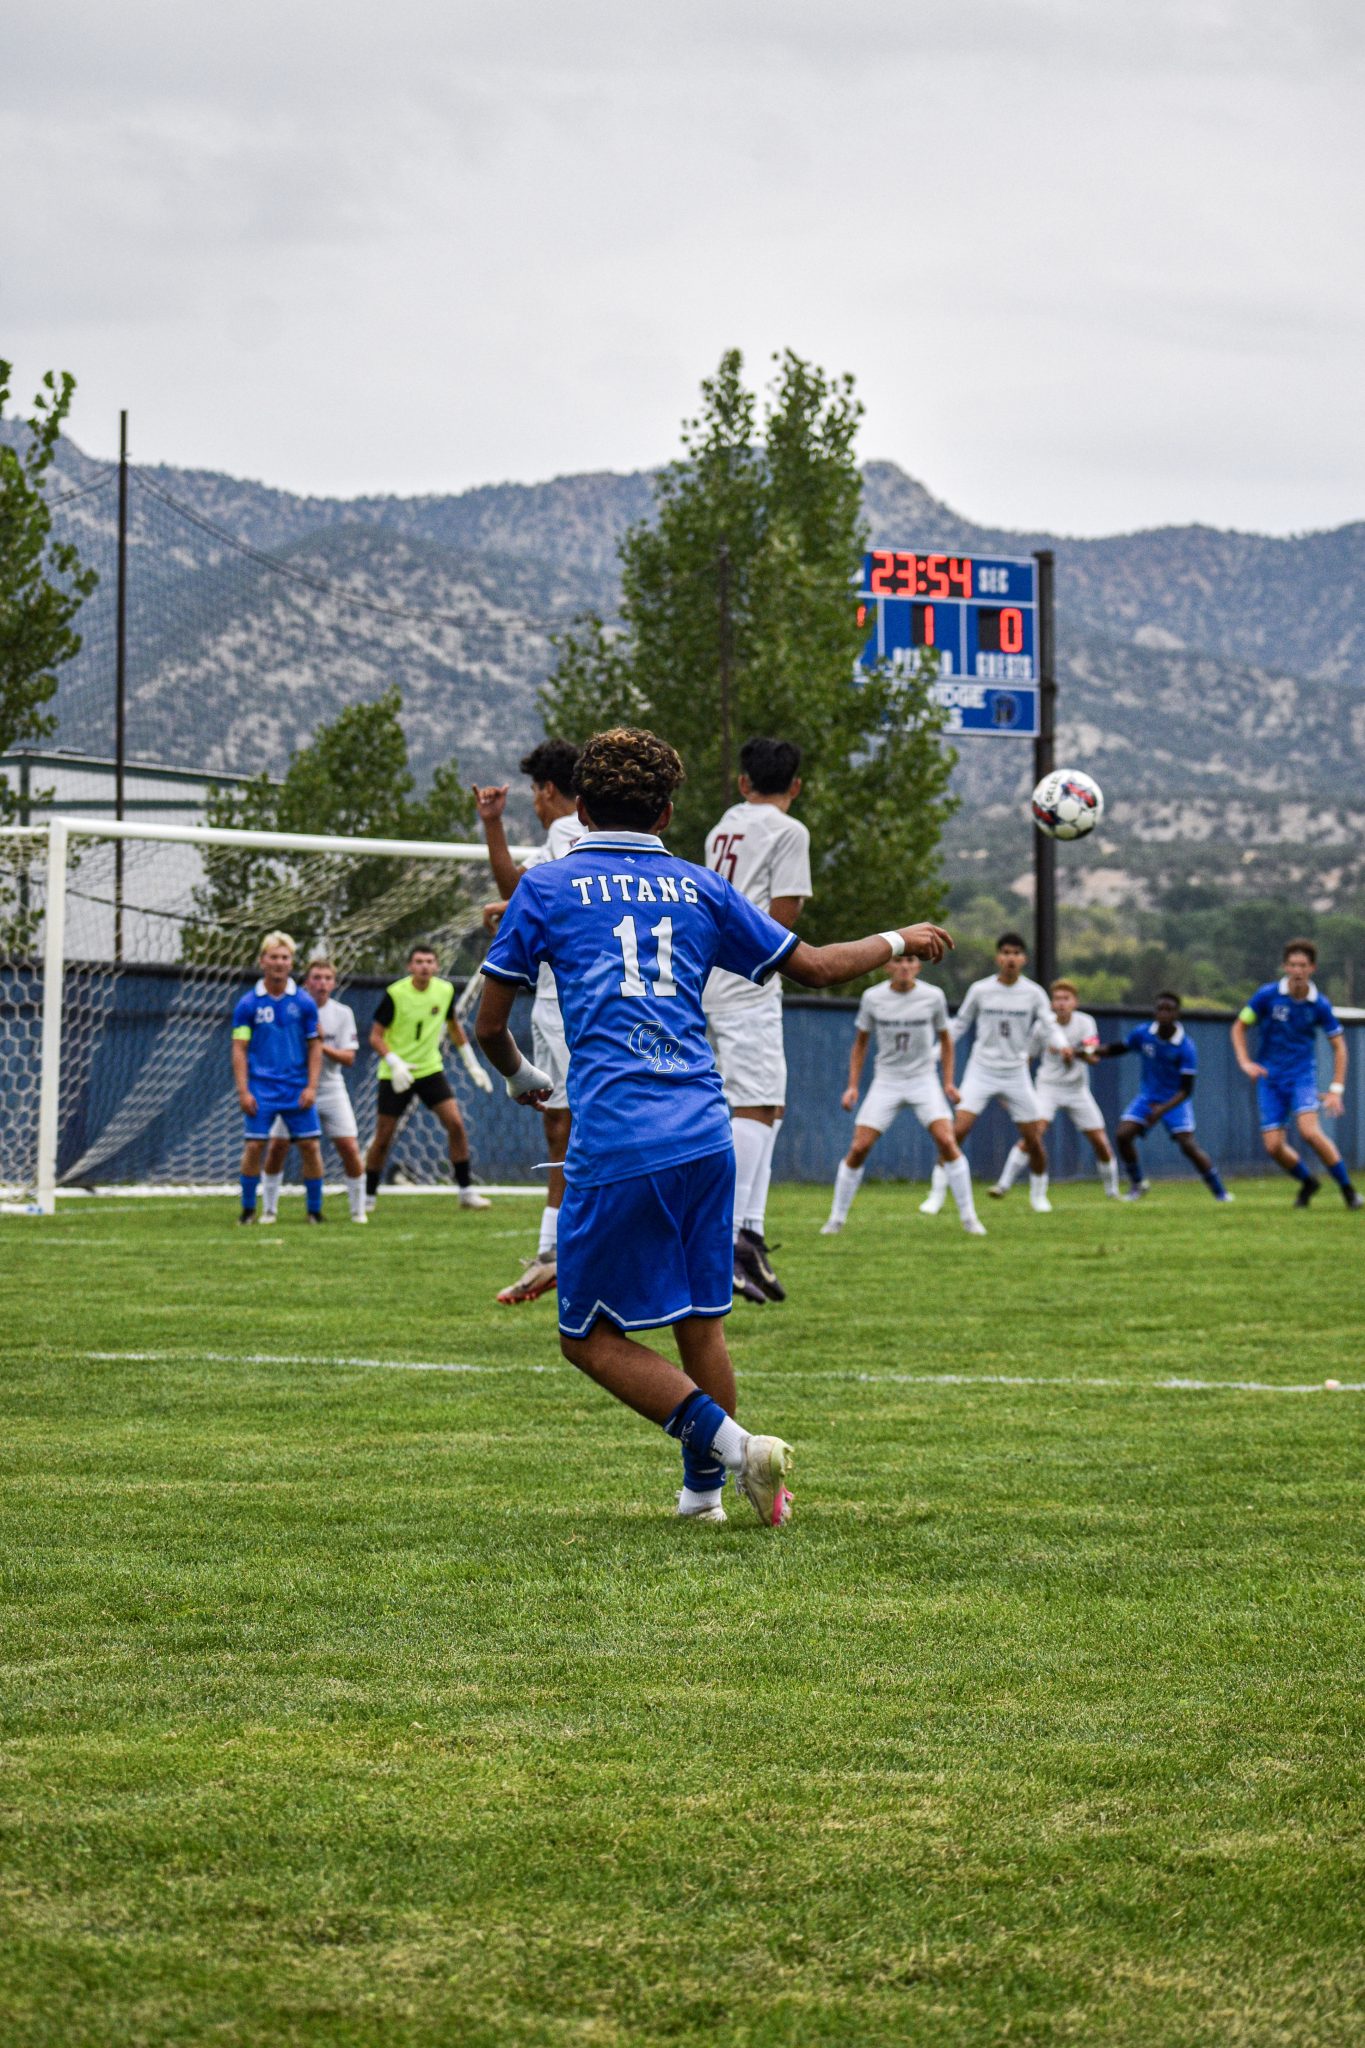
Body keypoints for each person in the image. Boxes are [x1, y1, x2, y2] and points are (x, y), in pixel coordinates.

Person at [474, 725, 953, 1528]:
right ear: (666, 813)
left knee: (584, 1337)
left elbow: (490, 1024)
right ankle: (701, 1499)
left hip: (617, 1138)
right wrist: (903, 937)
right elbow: (817, 966)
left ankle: (735, 1452)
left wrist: (525, 1080)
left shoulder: (548, 887)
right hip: (704, 1129)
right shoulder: (699, 886)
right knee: (701, 1324)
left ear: (581, 807)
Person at [702, 736, 812, 1305]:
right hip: (750, 974)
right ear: (794, 786)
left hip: (712, 967)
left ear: (744, 783)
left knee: (767, 1103)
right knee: (752, 1102)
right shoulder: (789, 830)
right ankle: (725, 1238)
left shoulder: (724, 824)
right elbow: (784, 915)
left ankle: (749, 1232)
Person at [473, 739, 583, 1299]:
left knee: (568, 1123)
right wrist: (493, 827)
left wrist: (492, 830)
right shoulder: (583, 838)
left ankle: (565, 1250)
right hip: (582, 996)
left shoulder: (565, 835)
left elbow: (525, 896)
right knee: (564, 1122)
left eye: (536, 793)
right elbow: (523, 896)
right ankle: (555, 1246)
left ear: (546, 790)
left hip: (563, 1000)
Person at [822, 955, 984, 1236]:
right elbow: (860, 1044)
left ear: (919, 967)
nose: (905, 967)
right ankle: (836, 1219)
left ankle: (969, 1218)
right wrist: (852, 1086)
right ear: (887, 966)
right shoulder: (873, 998)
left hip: (923, 1080)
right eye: (899, 961)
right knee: (859, 1147)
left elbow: (946, 1040)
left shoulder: (933, 996)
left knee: (947, 1140)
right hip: (887, 1080)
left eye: (911, 961)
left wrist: (948, 1083)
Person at [920, 933, 1069, 1218]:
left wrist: (1062, 1045)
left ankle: (1039, 1195)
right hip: (982, 1070)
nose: (1010, 958)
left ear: (1023, 959)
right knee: (956, 1133)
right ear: (998, 957)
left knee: (1033, 1138)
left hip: (1015, 1072)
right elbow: (959, 1024)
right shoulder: (980, 990)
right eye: (1005, 953)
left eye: (1016, 953)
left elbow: (1049, 1025)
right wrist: (936, 1053)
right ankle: (935, 1195)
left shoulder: (1034, 993)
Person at [1232, 939, 1362, 1209]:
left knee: (1309, 1133)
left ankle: (1349, 1191)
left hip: (1302, 1076)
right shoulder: (1266, 996)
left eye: (1302, 965)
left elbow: (1339, 1046)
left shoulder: (1319, 1005)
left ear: (1312, 968)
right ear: (1284, 966)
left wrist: (1336, 1089)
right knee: (1273, 1147)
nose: (1297, 970)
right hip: (1270, 1079)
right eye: (1292, 965)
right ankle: (1308, 1182)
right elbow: (1239, 1026)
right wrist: (1245, 1061)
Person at [364, 943, 493, 1211]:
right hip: (396, 1073)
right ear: (410, 966)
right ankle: (368, 1196)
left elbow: (454, 1028)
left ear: (436, 966)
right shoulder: (396, 994)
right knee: (383, 1136)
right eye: (419, 961)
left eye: (429, 961)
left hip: (429, 1069)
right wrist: (394, 1062)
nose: (424, 966)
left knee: (456, 1124)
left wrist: (472, 1065)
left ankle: (466, 1192)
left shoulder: (444, 991)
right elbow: (375, 1037)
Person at [257, 956, 368, 1224]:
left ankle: (358, 1211)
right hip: (294, 1088)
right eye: (316, 978)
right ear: (306, 982)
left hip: (330, 1087)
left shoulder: (342, 1014)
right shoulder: (292, 1008)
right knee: (277, 1148)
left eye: (327, 978)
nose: (322, 983)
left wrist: (319, 1043)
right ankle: (269, 1210)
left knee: (349, 1147)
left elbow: (349, 1058)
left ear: (334, 983)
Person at [991, 979, 1121, 1200]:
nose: (1061, 1003)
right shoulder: (1043, 1025)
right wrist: (1014, 1092)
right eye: (1057, 999)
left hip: (1077, 1090)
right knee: (1033, 1134)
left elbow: (1093, 1057)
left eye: (1066, 999)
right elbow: (1026, 1058)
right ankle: (1002, 1185)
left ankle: (1112, 1192)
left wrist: (1075, 1053)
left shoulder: (1085, 1023)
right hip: (1048, 1088)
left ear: (1075, 1002)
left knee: (1100, 1142)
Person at [1097, 991, 1231, 1201]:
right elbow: (1119, 1048)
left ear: (1177, 1014)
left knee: (1188, 1145)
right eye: (1160, 1008)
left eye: (1169, 1009)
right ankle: (1138, 1184)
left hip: (1174, 1101)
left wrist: (1162, 1110)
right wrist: (1092, 1052)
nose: (1163, 1013)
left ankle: (1220, 1192)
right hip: (1148, 1097)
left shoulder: (1185, 1046)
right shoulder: (1143, 1033)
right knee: (1123, 1135)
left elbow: (1187, 1089)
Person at [230, 932, 324, 1225]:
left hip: (297, 1087)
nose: (279, 963)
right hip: (261, 1088)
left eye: (285, 957)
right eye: (274, 957)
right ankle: (247, 1210)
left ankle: (314, 1211)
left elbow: (315, 1045)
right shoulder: (248, 1004)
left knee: (310, 1146)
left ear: (291, 962)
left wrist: (311, 1085)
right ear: (263, 961)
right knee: (255, 1146)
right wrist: (244, 1090)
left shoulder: (305, 1002)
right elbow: (239, 1048)